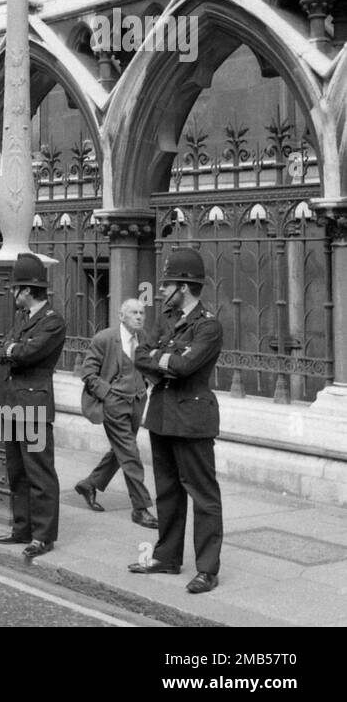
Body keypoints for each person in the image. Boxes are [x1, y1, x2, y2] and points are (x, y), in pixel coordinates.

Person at [128, 248, 224, 594]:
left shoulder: (209, 325)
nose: (161, 290)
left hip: (193, 418)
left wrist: (160, 357)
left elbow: (186, 367)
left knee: (202, 494)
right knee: (167, 491)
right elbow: (140, 355)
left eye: (167, 284)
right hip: (163, 416)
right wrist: (164, 357)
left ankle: (207, 569)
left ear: (183, 286)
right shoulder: (166, 317)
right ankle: (166, 557)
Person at [0, 252, 67, 559]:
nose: (12, 294)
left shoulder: (52, 321)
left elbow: (28, 353)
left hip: (34, 406)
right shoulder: (24, 319)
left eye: (15, 290)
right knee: (17, 469)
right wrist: (14, 349)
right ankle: (22, 527)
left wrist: (14, 349)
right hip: (13, 402)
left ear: (27, 290)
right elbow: (4, 349)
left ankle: (43, 536)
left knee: (39, 470)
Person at [74, 298, 157, 529]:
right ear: (121, 316)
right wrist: (108, 395)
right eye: (134, 313)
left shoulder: (144, 338)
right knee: (130, 453)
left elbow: (148, 366)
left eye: (142, 312)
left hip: (137, 402)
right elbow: (88, 373)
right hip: (114, 405)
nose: (139, 317)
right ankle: (140, 508)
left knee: (121, 449)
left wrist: (147, 385)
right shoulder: (105, 338)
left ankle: (89, 484)